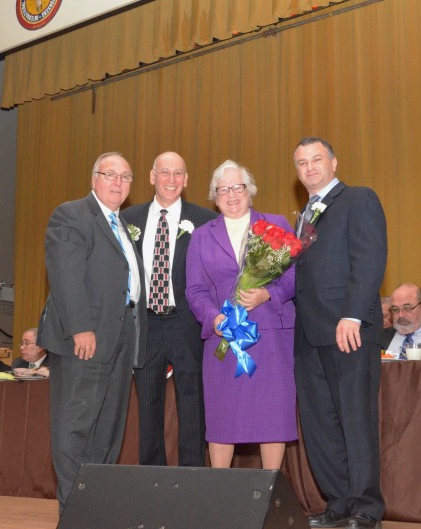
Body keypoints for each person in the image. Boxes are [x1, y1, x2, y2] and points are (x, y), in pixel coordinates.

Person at [37, 151, 147, 512]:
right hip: (85, 338)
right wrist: (80, 328)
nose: (118, 182)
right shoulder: (72, 214)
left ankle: (94, 508)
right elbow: (66, 277)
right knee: (75, 426)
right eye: (110, 174)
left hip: (121, 337)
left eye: (125, 177)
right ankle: (73, 511)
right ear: (93, 179)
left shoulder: (123, 224)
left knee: (109, 429)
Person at [291, 137, 386, 529]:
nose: (309, 167)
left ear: (333, 161)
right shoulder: (303, 215)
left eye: (316, 159)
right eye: (301, 163)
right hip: (308, 334)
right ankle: (338, 501)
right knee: (320, 422)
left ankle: (366, 507)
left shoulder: (358, 198)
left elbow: (369, 259)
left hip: (348, 330)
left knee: (355, 419)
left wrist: (352, 315)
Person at [185, 159, 296, 471]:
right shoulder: (201, 237)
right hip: (224, 340)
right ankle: (222, 494)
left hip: (272, 335)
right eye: (223, 190)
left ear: (250, 191)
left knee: (272, 415)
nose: (231, 194)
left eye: (237, 187)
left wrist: (268, 293)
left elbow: (295, 276)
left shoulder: (275, 225)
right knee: (222, 417)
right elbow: (195, 289)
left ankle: (270, 488)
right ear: (214, 196)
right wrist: (214, 319)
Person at [122, 151, 217, 467]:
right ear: (152, 177)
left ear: (187, 180)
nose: (172, 180)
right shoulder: (128, 219)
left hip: (186, 322)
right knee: (147, 406)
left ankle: (192, 481)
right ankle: (153, 482)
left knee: (193, 406)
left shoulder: (205, 220)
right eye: (165, 172)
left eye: (179, 173)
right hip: (144, 325)